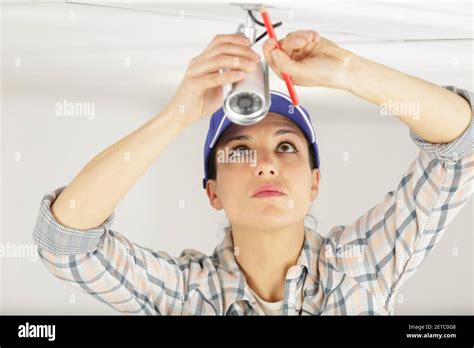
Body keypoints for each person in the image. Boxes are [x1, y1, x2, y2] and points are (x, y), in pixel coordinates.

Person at [33, 31, 473, 315]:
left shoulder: (362, 268)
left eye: (286, 146)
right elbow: (67, 244)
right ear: (213, 192)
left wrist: (348, 71)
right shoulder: (185, 296)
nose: (264, 163)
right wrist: (175, 117)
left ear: (313, 182)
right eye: (240, 151)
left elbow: (462, 145)